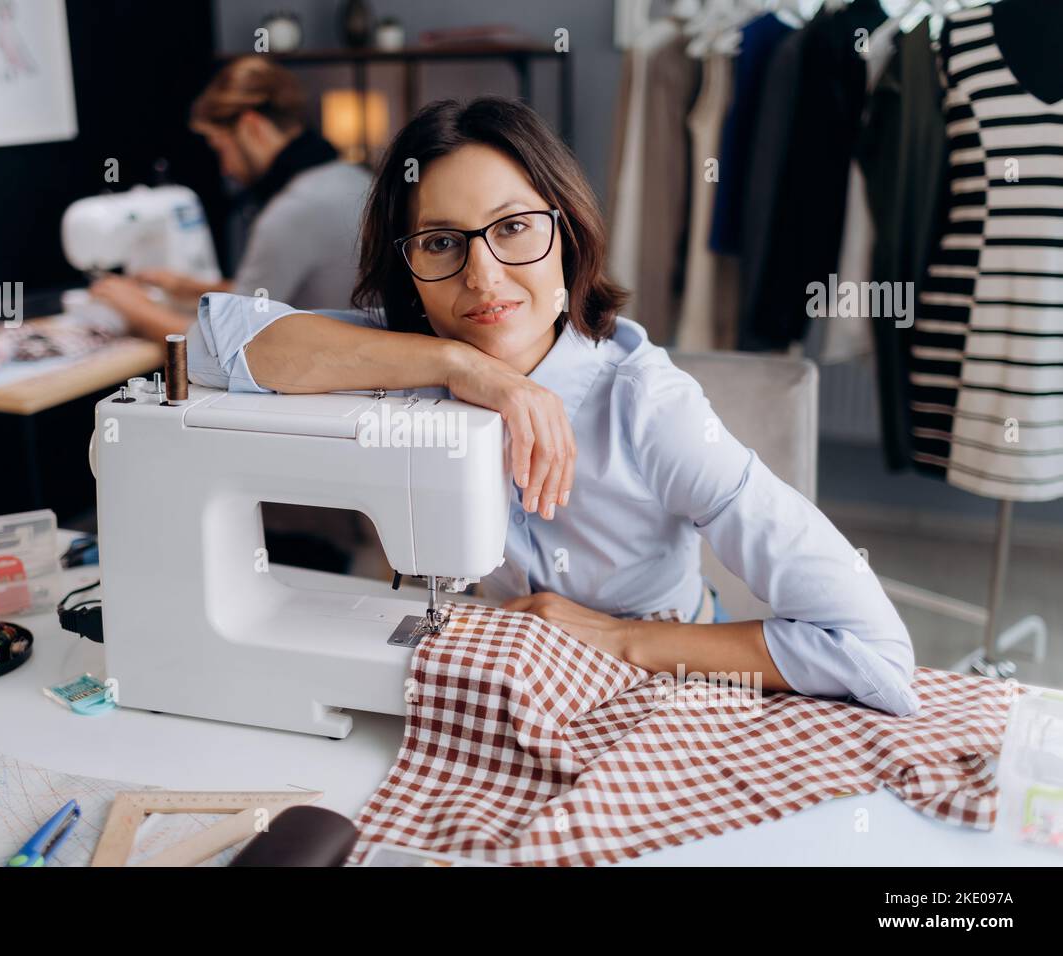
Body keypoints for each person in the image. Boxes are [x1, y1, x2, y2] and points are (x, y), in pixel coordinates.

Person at [185, 96, 920, 717]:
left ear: (566, 233)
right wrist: (461, 366)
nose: (482, 276)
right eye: (441, 242)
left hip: (662, 684)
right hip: (515, 677)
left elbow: (874, 652)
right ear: (411, 272)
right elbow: (211, 347)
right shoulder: (421, 353)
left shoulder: (650, 408)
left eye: (512, 229)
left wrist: (615, 637)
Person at [91, 56, 371, 341]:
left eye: (221, 148)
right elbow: (265, 298)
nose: (226, 168)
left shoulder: (294, 210)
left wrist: (134, 308)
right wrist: (191, 288)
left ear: (251, 127)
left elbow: (230, 344)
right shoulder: (352, 178)